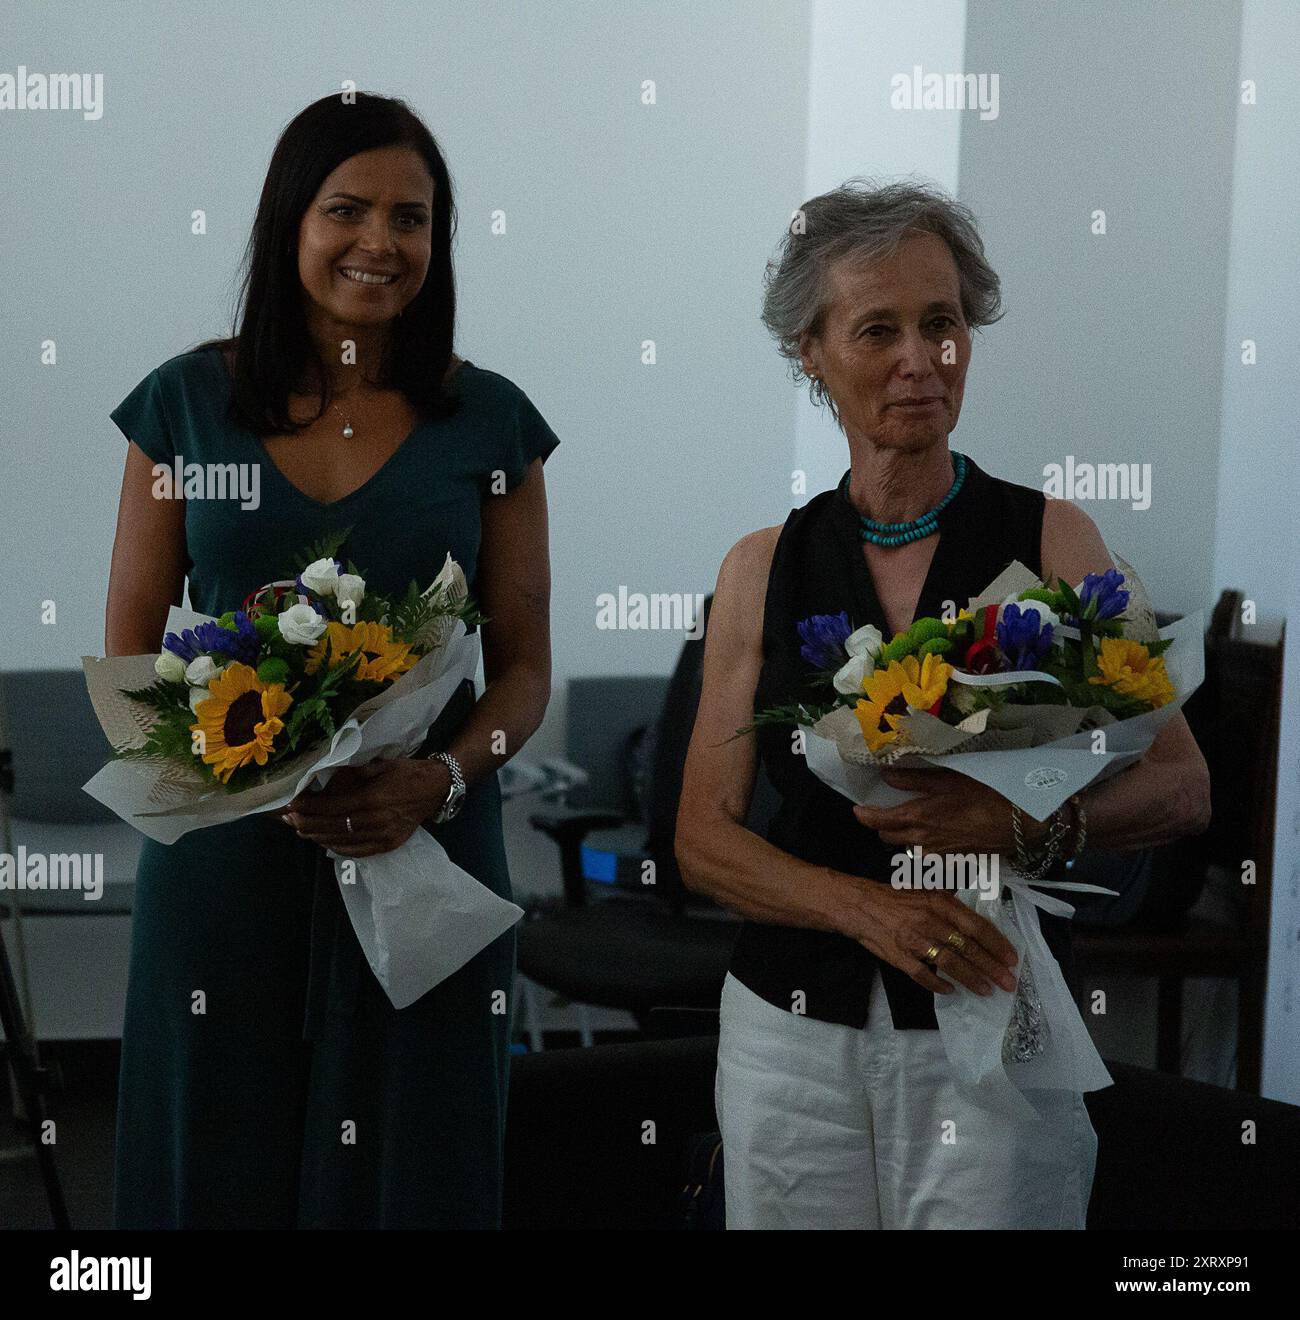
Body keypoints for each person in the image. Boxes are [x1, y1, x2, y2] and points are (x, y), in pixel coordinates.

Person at [675, 178, 1211, 1230]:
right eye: (878, 329)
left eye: (944, 323)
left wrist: (1022, 822)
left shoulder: (1056, 539)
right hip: (791, 1034)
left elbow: (1182, 786)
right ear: (808, 352)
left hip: (995, 1010)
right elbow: (701, 840)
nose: (922, 360)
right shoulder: (759, 567)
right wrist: (869, 911)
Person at [104, 93, 559, 1228]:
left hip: (429, 857)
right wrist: (240, 774)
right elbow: (129, 650)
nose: (380, 242)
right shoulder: (184, 406)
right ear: (286, 223)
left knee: (419, 1168)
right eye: (346, 209)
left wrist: (435, 779)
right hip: (224, 858)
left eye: (411, 218)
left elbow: (522, 674)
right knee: (210, 1159)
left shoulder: (489, 421)